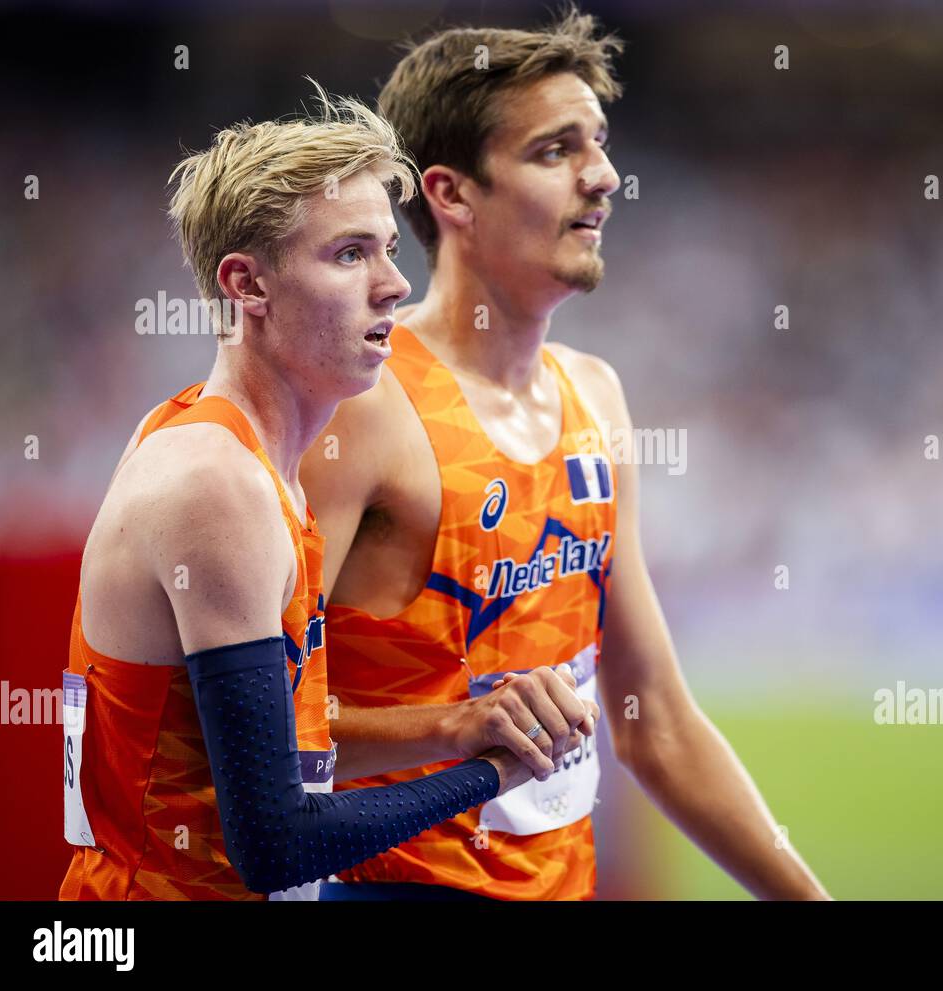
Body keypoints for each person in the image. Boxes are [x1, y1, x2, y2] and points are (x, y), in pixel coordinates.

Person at [301, 9, 830, 900]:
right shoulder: (363, 412)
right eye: (556, 151)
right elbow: (245, 729)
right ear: (453, 194)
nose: (606, 176)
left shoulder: (595, 395)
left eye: (601, 144)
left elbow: (653, 718)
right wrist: (453, 725)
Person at [59, 86, 576, 901]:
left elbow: (282, 755)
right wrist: (489, 772)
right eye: (349, 254)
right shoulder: (215, 484)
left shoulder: (247, 457)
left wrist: (461, 721)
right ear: (248, 286)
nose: (394, 286)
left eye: (389, 251)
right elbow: (276, 839)